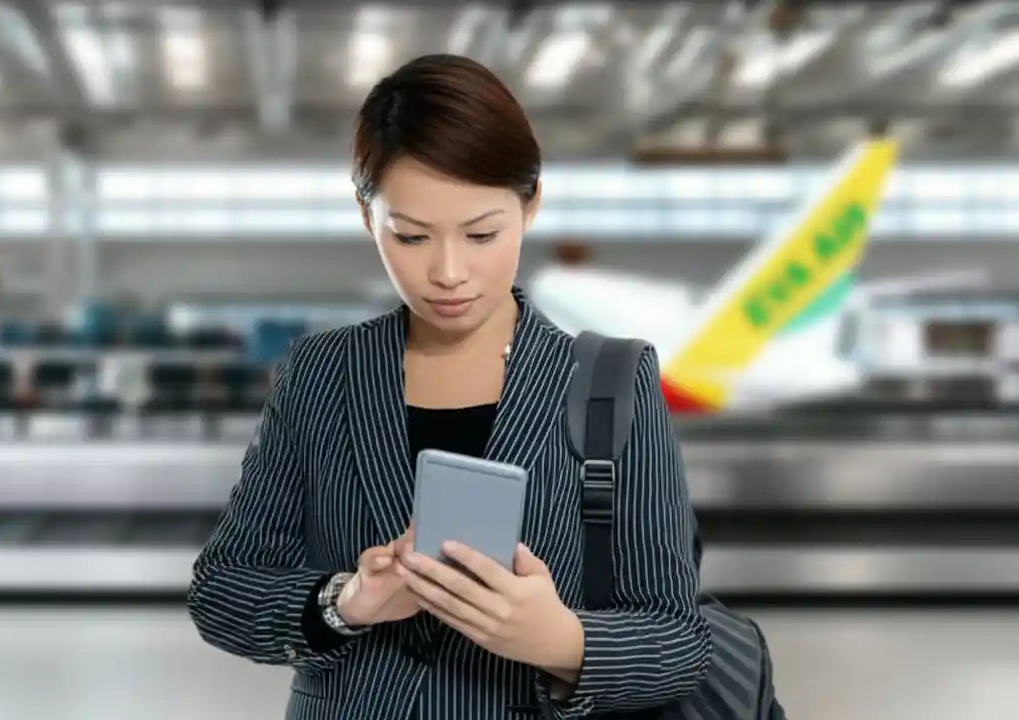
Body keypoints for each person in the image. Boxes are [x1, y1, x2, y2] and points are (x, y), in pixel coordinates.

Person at [188, 53, 713, 720]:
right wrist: (345, 602)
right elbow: (223, 589)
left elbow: (678, 641)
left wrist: (559, 640)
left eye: (482, 233)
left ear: (531, 206)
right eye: (409, 236)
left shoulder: (611, 383)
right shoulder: (321, 374)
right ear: (365, 216)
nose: (448, 272)